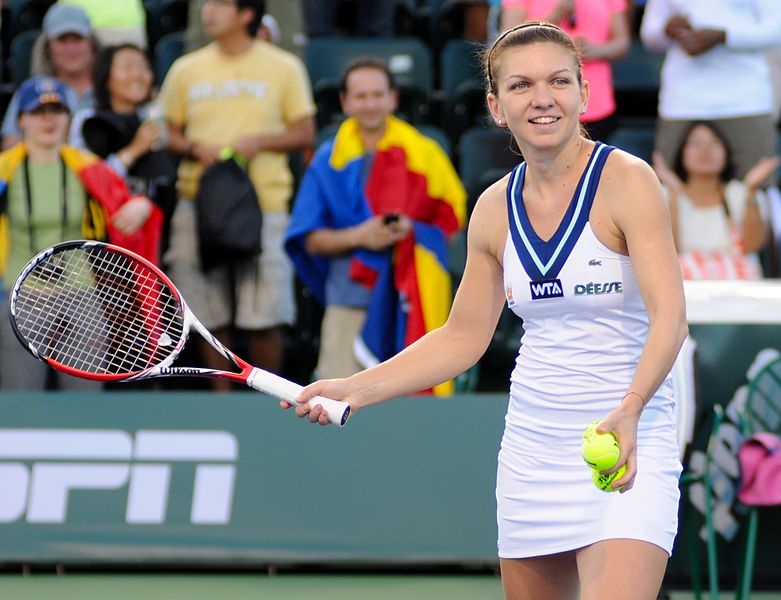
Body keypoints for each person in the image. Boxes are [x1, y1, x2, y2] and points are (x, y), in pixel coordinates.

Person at [285, 23, 688, 600]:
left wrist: (630, 409)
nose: (542, 98)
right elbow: (461, 338)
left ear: (584, 93)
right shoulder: (494, 208)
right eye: (522, 85)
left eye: (558, 81)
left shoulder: (629, 180)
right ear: (497, 107)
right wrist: (355, 387)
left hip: (632, 430)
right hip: (533, 446)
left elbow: (670, 315)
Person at [158, 0, 316, 388]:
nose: (207, 12)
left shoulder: (284, 66)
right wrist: (196, 148)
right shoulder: (185, 68)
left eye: (220, 4)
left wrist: (260, 141)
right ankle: (222, 405)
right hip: (197, 201)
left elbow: (305, 132)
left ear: (247, 14)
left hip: (264, 201)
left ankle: (268, 405)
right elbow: (168, 133)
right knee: (207, 315)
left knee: (264, 313)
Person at [284, 58, 467, 389]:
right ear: (345, 102)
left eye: (377, 95)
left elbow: (450, 228)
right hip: (348, 301)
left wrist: (411, 230)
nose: (370, 104)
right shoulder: (327, 159)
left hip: (410, 300)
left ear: (393, 98)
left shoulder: (426, 154)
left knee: (410, 408)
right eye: (361, 96)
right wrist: (361, 236)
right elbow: (309, 239)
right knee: (335, 404)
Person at [0, 76, 162, 390]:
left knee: (85, 400)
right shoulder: (5, 170)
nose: (48, 119)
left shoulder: (88, 167)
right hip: (20, 295)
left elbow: (126, 203)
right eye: (37, 111)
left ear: (69, 118)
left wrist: (141, 205)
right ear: (21, 120)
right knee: (20, 397)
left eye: (57, 110)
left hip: (81, 295)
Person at [640, 0, 781, 181]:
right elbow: (650, 37)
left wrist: (725, 36)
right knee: (667, 192)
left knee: (756, 191)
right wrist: (667, 29)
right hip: (682, 102)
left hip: (745, 101)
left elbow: (776, 29)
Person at [69, 44, 176, 248]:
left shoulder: (153, 119)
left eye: (144, 68)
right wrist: (134, 150)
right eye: (127, 68)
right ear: (106, 78)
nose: (138, 75)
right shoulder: (88, 121)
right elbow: (85, 183)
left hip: (151, 235)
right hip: (101, 238)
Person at [653, 121, 779, 280]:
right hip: (686, 290)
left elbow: (752, 245)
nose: (705, 150)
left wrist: (751, 190)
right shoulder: (663, 194)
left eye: (714, 143)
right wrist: (675, 193)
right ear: (681, 152)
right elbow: (667, 252)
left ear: (726, 152)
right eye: (695, 143)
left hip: (739, 289)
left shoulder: (740, 193)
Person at [500, 0, 631, 143]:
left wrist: (597, 50)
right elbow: (508, 43)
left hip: (597, 101)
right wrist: (554, 17)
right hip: (540, 101)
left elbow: (622, 42)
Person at [1, 4, 99, 149]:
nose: (71, 49)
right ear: (47, 46)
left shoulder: (113, 83)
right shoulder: (33, 89)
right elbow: (10, 142)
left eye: (77, 39)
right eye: (62, 40)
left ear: (91, 43)